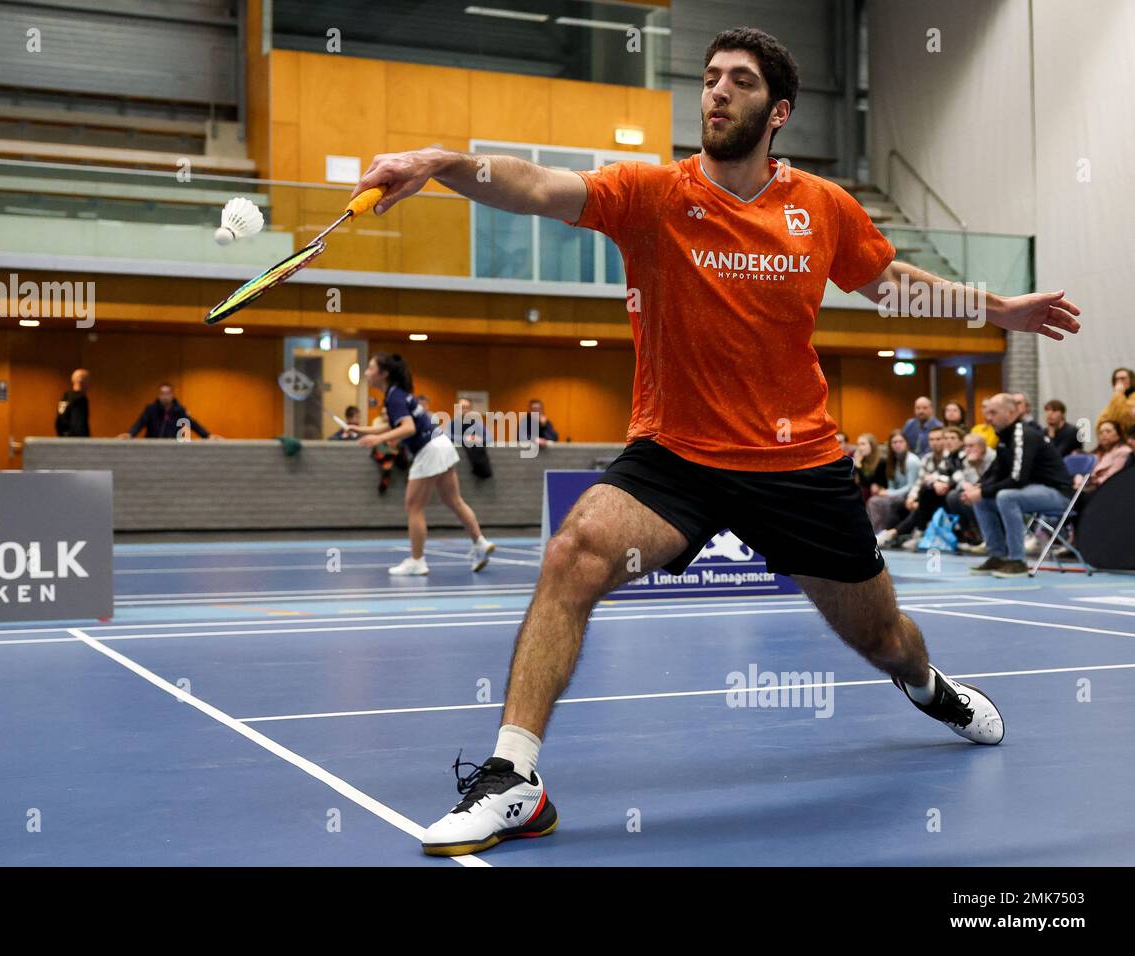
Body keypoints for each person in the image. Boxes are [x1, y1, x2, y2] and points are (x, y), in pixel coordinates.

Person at [353, 26, 1079, 856]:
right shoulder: (653, 195)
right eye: (709, 79)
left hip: (800, 463)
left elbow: (889, 284)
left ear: (780, 112)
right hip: (677, 455)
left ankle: (928, 687)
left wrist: (999, 311)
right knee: (576, 551)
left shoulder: (823, 208)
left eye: (738, 80)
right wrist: (442, 163)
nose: (717, 92)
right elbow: (539, 187)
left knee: (883, 638)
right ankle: (515, 778)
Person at [346, 354, 494, 574]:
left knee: (414, 507)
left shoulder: (394, 397)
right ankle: (480, 542)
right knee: (453, 500)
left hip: (429, 449)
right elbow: (392, 425)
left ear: (383, 373)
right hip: (441, 443)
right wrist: (362, 430)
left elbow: (407, 429)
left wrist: (377, 440)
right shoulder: (398, 394)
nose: (366, 372)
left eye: (370, 368)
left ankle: (417, 561)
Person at [962, 393, 1074, 578]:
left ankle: (1018, 561)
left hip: (1058, 494)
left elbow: (1017, 479)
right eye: (987, 412)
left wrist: (983, 491)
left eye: (994, 413)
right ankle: (997, 555)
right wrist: (978, 488)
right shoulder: (1004, 436)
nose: (988, 418)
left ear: (1012, 413)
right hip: (1031, 492)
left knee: (1006, 496)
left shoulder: (1023, 434)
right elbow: (997, 470)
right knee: (981, 500)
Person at [117, 383, 221, 440]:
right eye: (162, 393)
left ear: (172, 395)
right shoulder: (151, 410)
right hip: (153, 447)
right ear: (159, 395)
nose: (165, 396)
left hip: (173, 448)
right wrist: (130, 434)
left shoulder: (179, 411)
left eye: (167, 393)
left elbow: (192, 424)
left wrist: (207, 435)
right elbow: (140, 423)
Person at [866, 430, 921, 534]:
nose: (897, 445)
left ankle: (880, 533)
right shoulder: (892, 460)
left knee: (876, 502)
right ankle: (875, 532)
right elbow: (892, 485)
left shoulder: (912, 460)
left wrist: (888, 493)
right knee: (875, 499)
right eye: (894, 442)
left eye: (901, 441)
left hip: (910, 495)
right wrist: (886, 492)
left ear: (906, 443)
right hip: (898, 494)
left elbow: (911, 486)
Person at [1097, 368, 1135, 435]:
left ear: (1131, 380)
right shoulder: (1116, 398)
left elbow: (1124, 418)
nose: (1119, 382)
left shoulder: (1121, 396)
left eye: (1123, 378)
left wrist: (1119, 393)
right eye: (1116, 379)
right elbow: (1103, 419)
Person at [55, 368, 91, 437]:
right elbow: (79, 426)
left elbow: (58, 423)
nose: (89, 385)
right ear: (82, 382)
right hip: (75, 443)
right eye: (88, 381)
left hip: (63, 440)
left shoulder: (65, 398)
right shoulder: (80, 399)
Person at [851, 433, 885, 502]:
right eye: (858, 444)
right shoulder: (861, 459)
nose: (859, 448)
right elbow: (854, 479)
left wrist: (858, 465)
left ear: (872, 446)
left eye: (863, 444)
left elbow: (867, 483)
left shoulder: (881, 461)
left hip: (879, 492)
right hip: (864, 491)